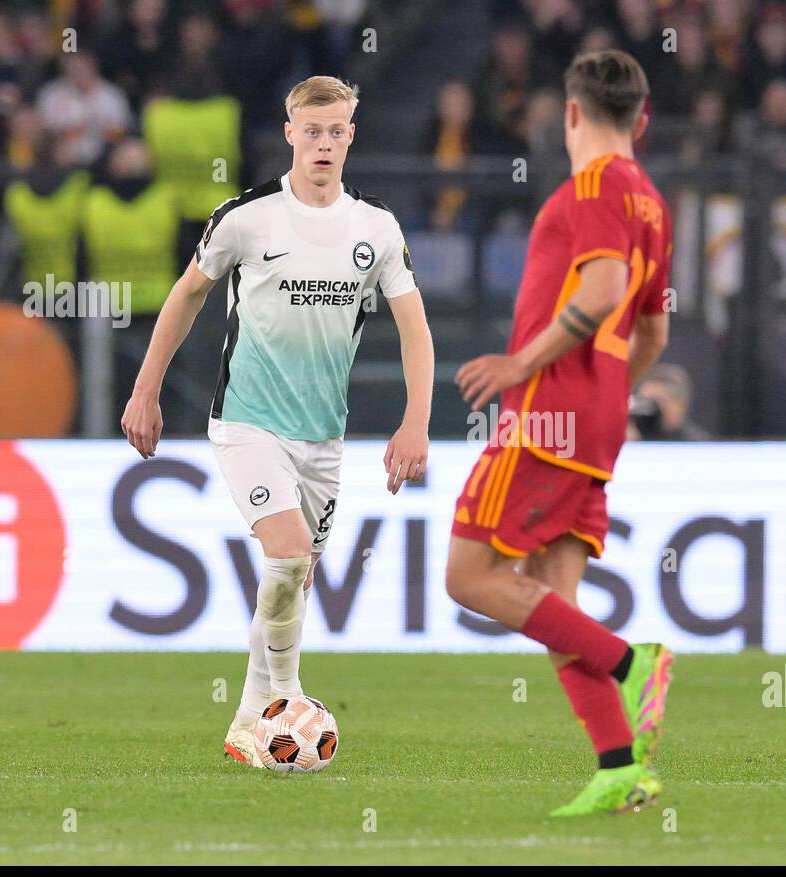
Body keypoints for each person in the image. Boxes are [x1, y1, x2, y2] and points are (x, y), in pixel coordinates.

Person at [120, 76, 435, 766]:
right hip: (246, 420)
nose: (324, 143)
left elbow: (415, 328)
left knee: (297, 576)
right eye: (312, 131)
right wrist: (146, 391)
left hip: (323, 433)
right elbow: (186, 295)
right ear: (290, 133)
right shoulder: (247, 217)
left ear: (351, 135)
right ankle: (286, 698)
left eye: (337, 132)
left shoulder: (375, 228)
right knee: (288, 554)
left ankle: (245, 720)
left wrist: (417, 421)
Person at [446, 50, 674, 817]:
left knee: (468, 575)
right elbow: (652, 333)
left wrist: (523, 366)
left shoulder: (594, 186)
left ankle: (630, 660)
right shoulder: (650, 200)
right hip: (595, 413)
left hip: (548, 412)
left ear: (571, 114)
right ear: (642, 118)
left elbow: (603, 286)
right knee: (553, 600)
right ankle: (620, 766)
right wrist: (610, 396)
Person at [628, 363, 710, 440]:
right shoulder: (632, 437)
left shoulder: (699, 446)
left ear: (678, 405)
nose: (647, 410)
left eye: (654, 402)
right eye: (642, 401)